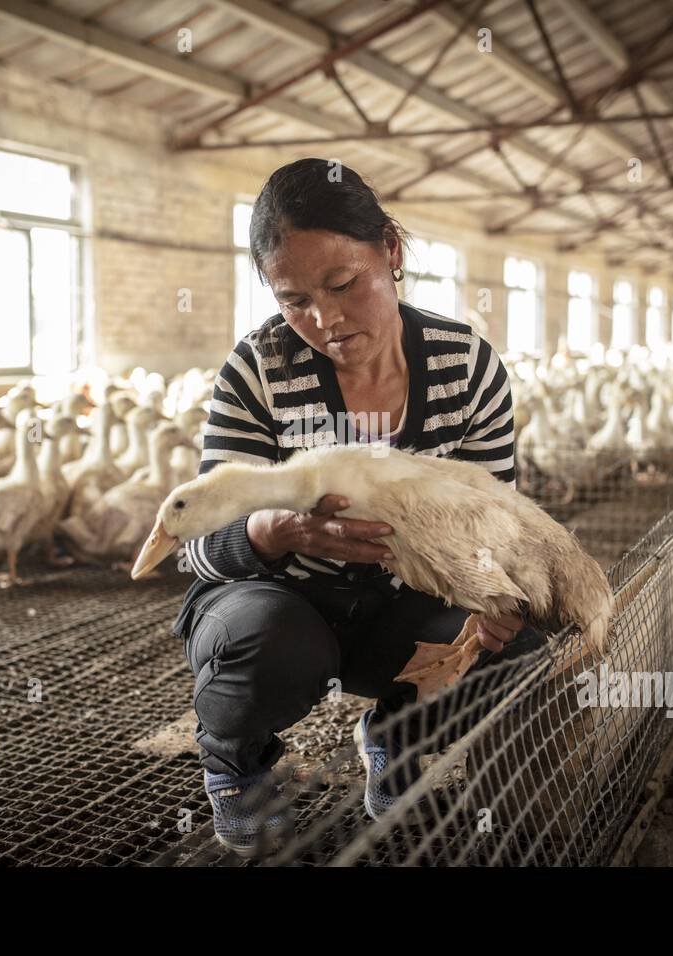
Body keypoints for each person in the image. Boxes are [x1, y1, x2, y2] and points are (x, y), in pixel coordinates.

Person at [172, 158, 540, 856]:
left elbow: (499, 522)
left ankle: (397, 734)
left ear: (391, 253)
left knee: (514, 649)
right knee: (260, 639)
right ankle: (235, 764)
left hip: (408, 610)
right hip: (282, 609)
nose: (325, 319)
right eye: (294, 300)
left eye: (343, 284)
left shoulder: (465, 367)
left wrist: (499, 590)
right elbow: (197, 542)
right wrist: (270, 533)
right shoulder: (258, 371)